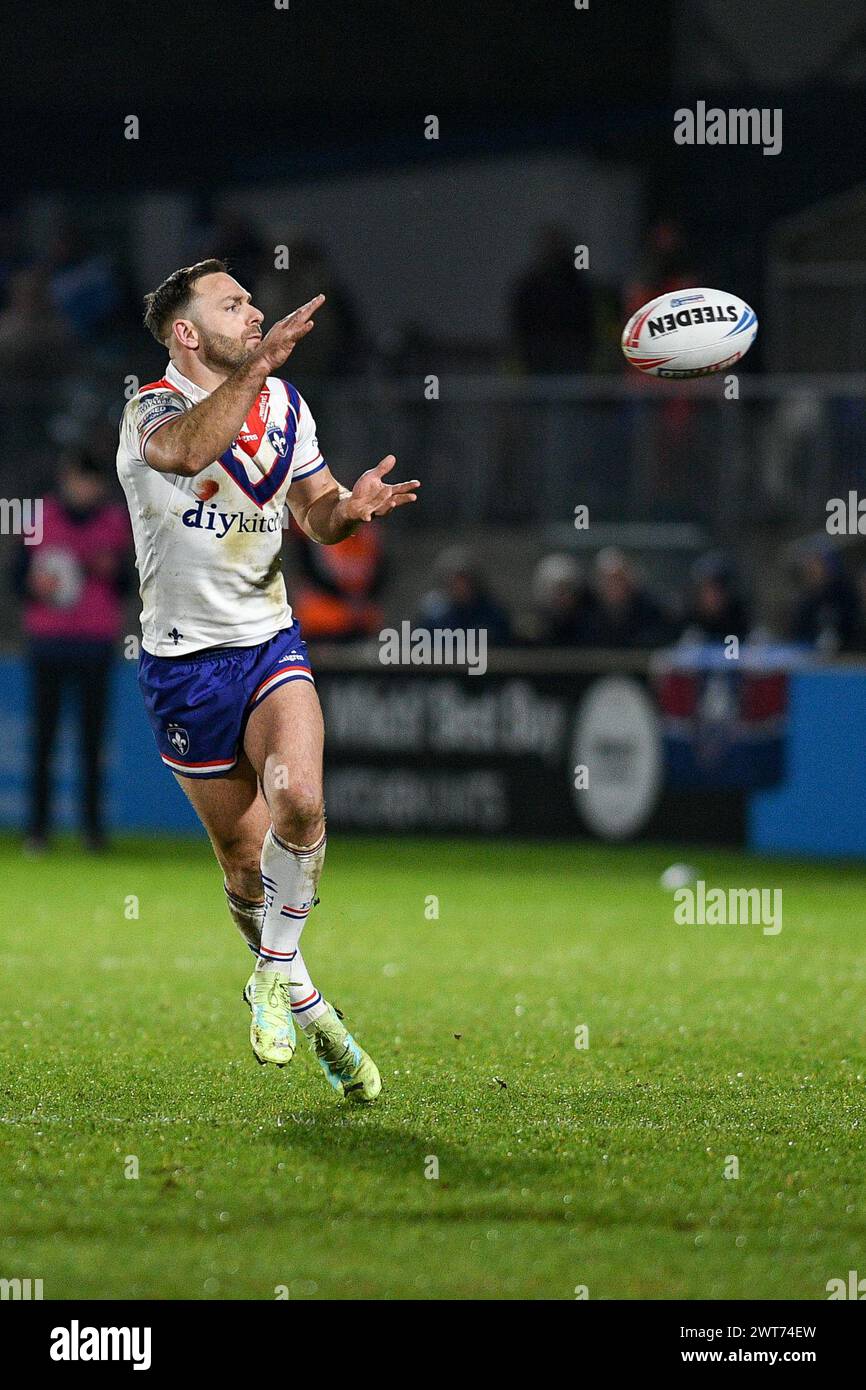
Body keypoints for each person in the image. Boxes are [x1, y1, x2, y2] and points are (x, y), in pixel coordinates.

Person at [116, 258, 419, 1103]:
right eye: (232, 304)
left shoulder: (288, 404)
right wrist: (255, 371)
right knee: (246, 868)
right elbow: (185, 453)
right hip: (182, 668)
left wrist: (346, 512)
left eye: (252, 300)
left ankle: (270, 975)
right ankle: (311, 1006)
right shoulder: (152, 409)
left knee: (301, 803)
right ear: (186, 333)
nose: (254, 312)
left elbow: (313, 511)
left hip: (268, 645)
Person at [12, 450, 131, 851]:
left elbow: (130, 585)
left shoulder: (115, 522)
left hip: (95, 646)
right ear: (66, 479)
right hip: (47, 645)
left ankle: (92, 832)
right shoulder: (39, 516)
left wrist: (111, 572)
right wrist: (34, 587)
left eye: (90, 481)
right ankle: (37, 831)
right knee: (43, 741)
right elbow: (15, 579)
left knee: (92, 744)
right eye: (78, 480)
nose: (83, 489)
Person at [414, 545, 512, 645]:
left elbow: (504, 643)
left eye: (465, 580)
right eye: (455, 581)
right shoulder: (435, 617)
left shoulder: (492, 614)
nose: (461, 586)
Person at [586, 547, 672, 648]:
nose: (614, 585)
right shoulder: (586, 609)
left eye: (619, 579)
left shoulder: (650, 609)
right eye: (608, 580)